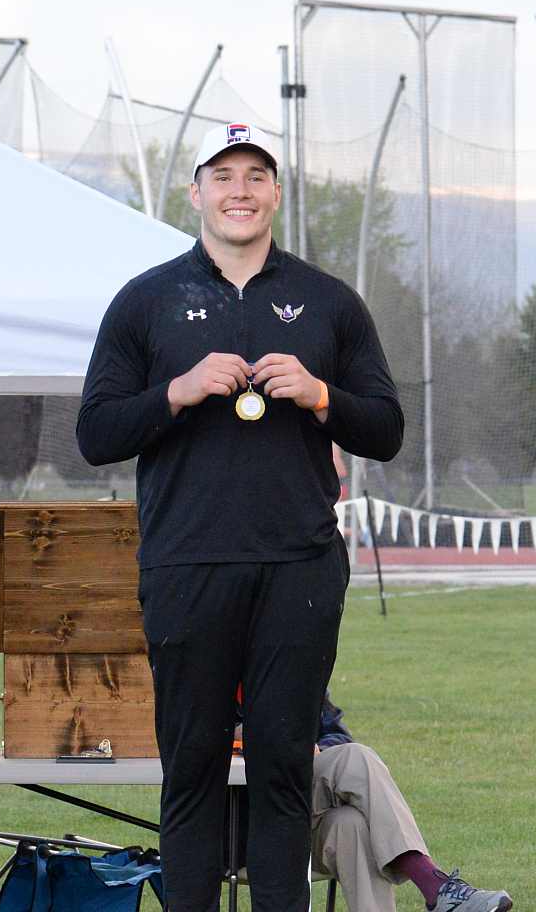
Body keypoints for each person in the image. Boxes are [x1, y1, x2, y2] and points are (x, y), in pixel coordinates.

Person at [76, 122, 403, 912]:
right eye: (223, 177)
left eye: (256, 176)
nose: (240, 191)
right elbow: (96, 433)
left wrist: (323, 394)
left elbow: (386, 430)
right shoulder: (147, 299)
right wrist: (176, 393)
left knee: (284, 768)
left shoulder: (329, 302)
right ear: (196, 192)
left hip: (298, 568)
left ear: (277, 193)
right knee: (190, 771)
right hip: (187, 565)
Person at [309, 696, 513, 912]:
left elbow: (335, 732)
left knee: (350, 824)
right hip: (270, 821)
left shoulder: (294, 670)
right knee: (355, 757)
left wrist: (318, 748)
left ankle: (437, 889)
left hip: (300, 818)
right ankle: (435, 887)